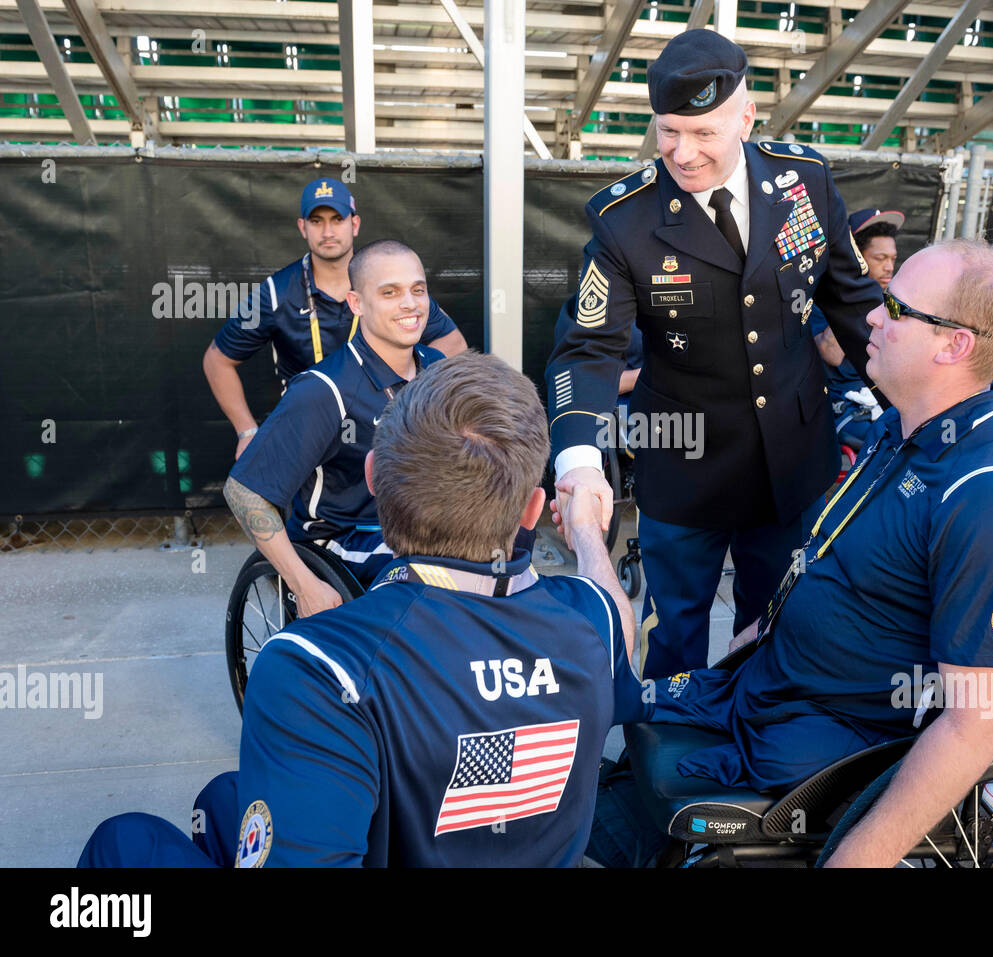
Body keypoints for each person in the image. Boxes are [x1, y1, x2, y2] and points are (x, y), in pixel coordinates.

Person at [583, 239, 993, 868]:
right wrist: (760, 629)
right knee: (579, 690)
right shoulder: (901, 428)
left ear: (954, 344)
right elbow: (839, 558)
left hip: (816, 745)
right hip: (759, 688)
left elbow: (974, 722)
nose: (870, 313)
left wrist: (856, 861)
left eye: (895, 306)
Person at [79, 351, 645, 867]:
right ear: (532, 510)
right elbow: (615, 615)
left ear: (374, 480)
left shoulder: (317, 666)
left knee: (124, 839)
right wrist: (587, 535)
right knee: (224, 799)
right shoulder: (589, 624)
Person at [545, 28, 882, 681]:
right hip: (683, 464)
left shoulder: (803, 181)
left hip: (792, 459)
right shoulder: (625, 221)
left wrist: (925, 403)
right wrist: (582, 465)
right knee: (672, 635)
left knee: (779, 626)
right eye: (668, 131)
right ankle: (656, 762)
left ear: (747, 117)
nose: (684, 152)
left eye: (704, 133)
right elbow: (587, 349)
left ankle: (760, 761)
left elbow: (853, 301)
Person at [223, 239, 444, 598]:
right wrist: (303, 583)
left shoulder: (437, 367)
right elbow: (244, 491)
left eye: (418, 290)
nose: (410, 304)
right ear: (356, 303)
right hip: (341, 539)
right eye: (390, 292)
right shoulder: (323, 390)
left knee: (508, 547)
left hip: (418, 524)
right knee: (434, 568)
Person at [202, 177, 467, 459]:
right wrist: (247, 431)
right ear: (303, 227)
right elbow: (217, 360)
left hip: (382, 435)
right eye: (317, 221)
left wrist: (411, 398)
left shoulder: (386, 283)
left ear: (354, 224)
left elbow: (454, 344)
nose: (328, 231)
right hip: (306, 435)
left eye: (337, 219)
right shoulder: (275, 293)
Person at [809, 208, 903, 445]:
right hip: (841, 405)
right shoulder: (823, 295)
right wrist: (853, 293)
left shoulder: (891, 300)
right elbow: (831, 353)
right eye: (880, 258)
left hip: (881, 398)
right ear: (856, 258)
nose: (889, 267)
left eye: (892, 258)